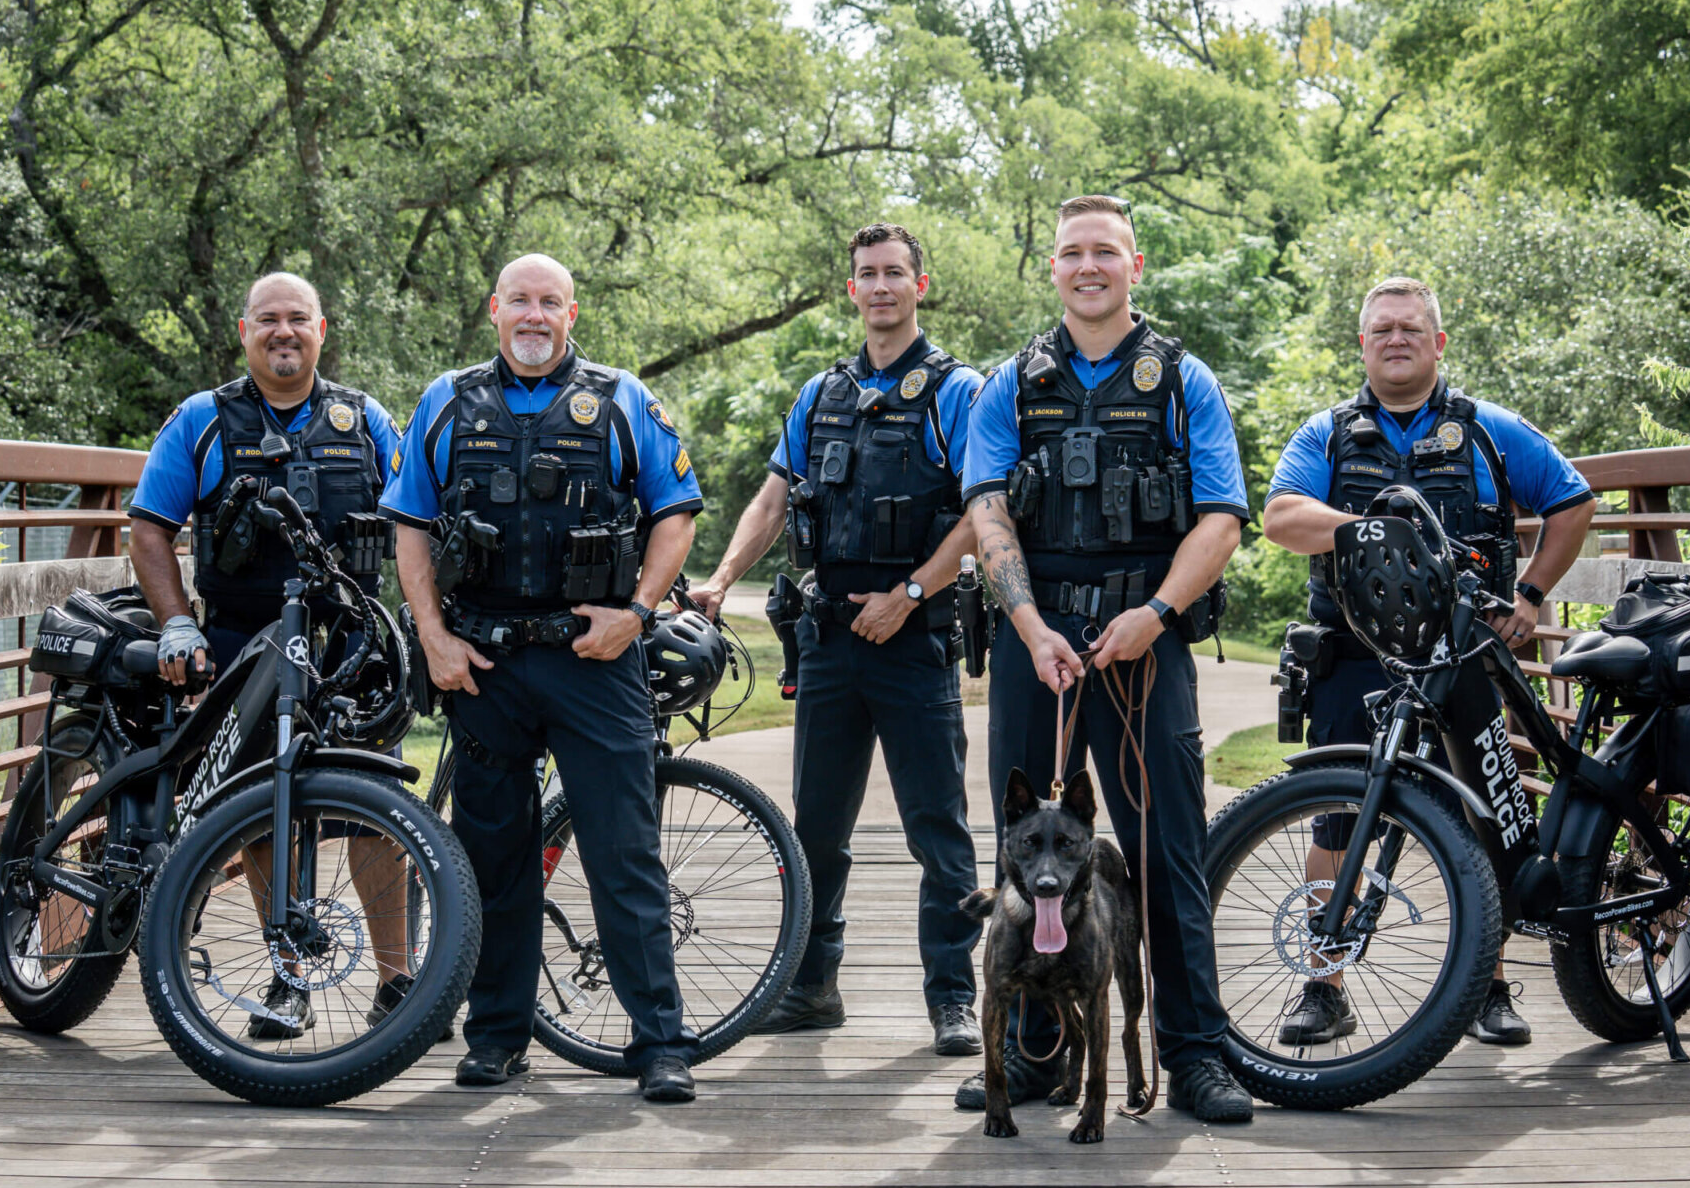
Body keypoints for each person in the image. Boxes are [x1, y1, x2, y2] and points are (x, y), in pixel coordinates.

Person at [957, 194, 1255, 1124]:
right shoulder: (1010, 382)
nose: (1088, 267)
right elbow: (987, 510)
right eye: (1070, 253)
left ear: (1134, 265)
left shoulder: (1183, 381)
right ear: (1053, 268)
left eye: (1105, 253)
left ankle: (1196, 1052)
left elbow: (1222, 517)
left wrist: (1157, 614)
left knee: (1170, 856)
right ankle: (1033, 1054)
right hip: (1034, 645)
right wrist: (1030, 622)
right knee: (1027, 854)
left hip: (1143, 648)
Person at [383, 252, 704, 1101]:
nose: (534, 315)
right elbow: (410, 525)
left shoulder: (624, 399)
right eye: (519, 300)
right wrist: (434, 639)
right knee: (495, 859)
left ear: (572, 313)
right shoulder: (447, 401)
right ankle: (497, 1037)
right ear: (495, 310)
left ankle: (659, 1042)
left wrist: (636, 613)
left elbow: (676, 514)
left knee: (624, 856)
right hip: (484, 663)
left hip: (593, 660)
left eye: (549, 303)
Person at [1261, 275, 1597, 1047]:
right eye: (1381, 330)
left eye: (1411, 329)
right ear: (1363, 344)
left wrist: (1534, 593)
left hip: (1466, 658)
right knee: (1337, 819)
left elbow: (1573, 502)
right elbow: (1281, 517)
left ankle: (1491, 984)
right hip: (1353, 655)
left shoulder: (1491, 432)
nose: (1396, 340)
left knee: (1485, 817)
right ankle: (1325, 982)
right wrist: (1376, 533)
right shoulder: (1327, 434)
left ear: (1438, 342)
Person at [688, 222, 985, 1057]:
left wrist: (912, 592)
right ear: (850, 289)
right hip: (828, 642)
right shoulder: (821, 395)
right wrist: (719, 577)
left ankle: (953, 999)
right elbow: (774, 497)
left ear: (919, 286)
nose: (881, 286)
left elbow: (980, 512)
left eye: (896, 273)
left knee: (940, 830)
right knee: (817, 828)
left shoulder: (957, 392)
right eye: (867, 274)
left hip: (915, 638)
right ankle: (813, 987)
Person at [126, 271, 412, 1042]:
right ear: (245, 333)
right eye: (268, 321)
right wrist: (177, 625)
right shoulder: (201, 421)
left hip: (351, 641)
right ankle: (289, 979)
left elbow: (424, 512)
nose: (283, 333)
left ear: (323, 330)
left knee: (377, 813)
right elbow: (149, 528)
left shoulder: (370, 422)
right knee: (261, 817)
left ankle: (399, 982)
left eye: (298, 320)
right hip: (240, 643)